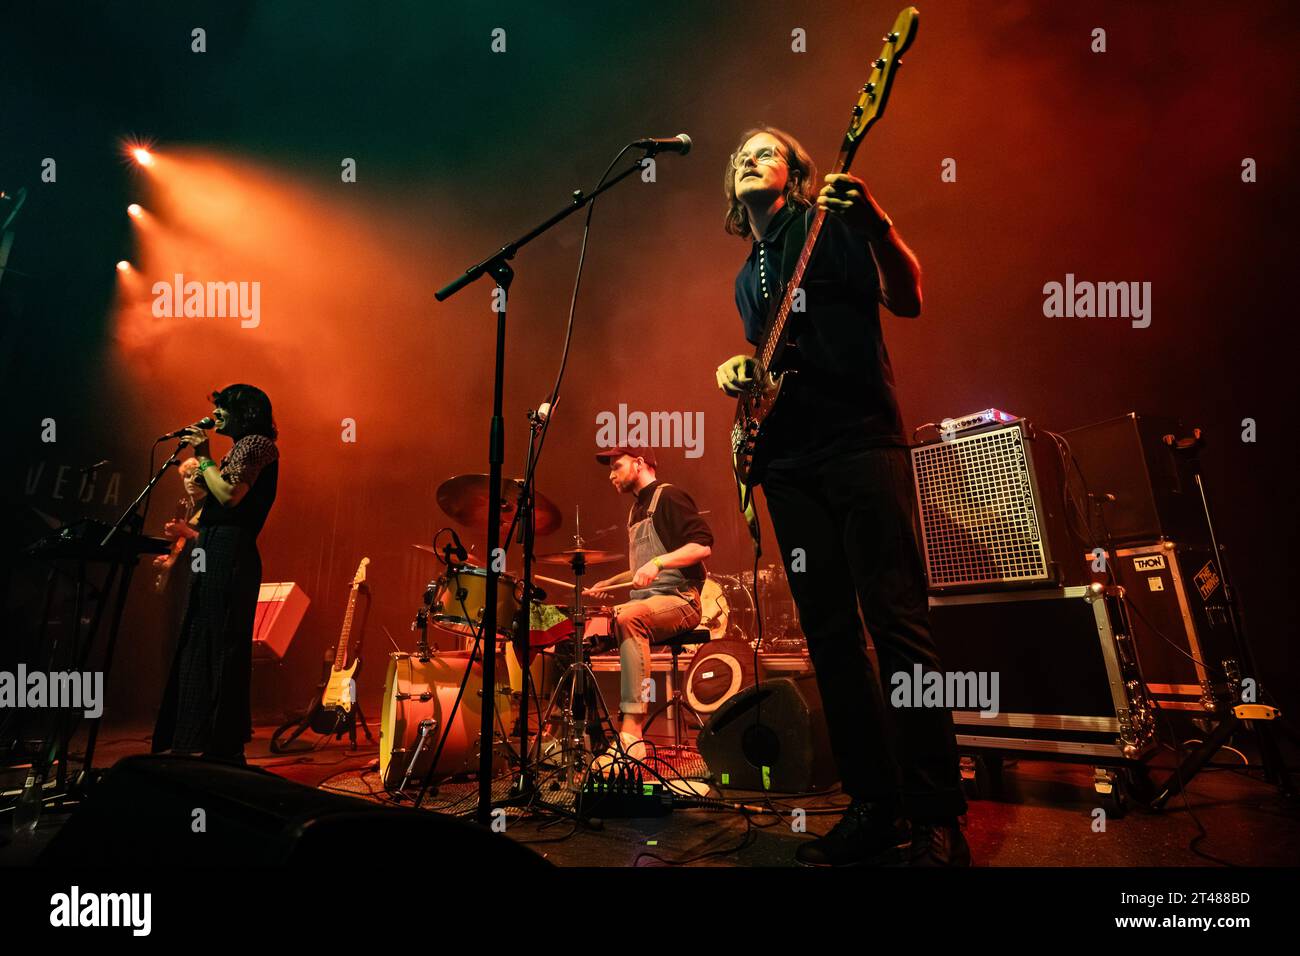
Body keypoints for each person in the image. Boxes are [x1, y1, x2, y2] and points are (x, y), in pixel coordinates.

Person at [715, 126, 970, 866]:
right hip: (788, 462)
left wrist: (878, 224)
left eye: (765, 151)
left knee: (897, 625)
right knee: (828, 637)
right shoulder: (742, 275)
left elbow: (908, 297)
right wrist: (739, 369)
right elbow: (770, 358)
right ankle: (873, 802)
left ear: (796, 172)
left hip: (859, 440)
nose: (747, 159)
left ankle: (933, 811)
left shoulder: (824, 222)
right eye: (739, 157)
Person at [152, 384, 279, 763]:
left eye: (223, 408)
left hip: (231, 552)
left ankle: (224, 745)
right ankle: (198, 738)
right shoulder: (239, 448)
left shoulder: (255, 444)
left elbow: (229, 496)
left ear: (247, 413)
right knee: (199, 637)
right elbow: (214, 502)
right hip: (213, 547)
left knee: (222, 642)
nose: (216, 414)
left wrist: (205, 455)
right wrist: (195, 471)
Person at [583, 447, 712, 761]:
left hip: (681, 600)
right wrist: (609, 583)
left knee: (630, 619)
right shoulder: (635, 511)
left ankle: (632, 732)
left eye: (617, 466)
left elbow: (702, 546)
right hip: (647, 602)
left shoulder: (669, 497)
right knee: (580, 630)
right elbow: (641, 568)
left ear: (640, 463)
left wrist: (656, 563)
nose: (611, 475)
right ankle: (587, 731)